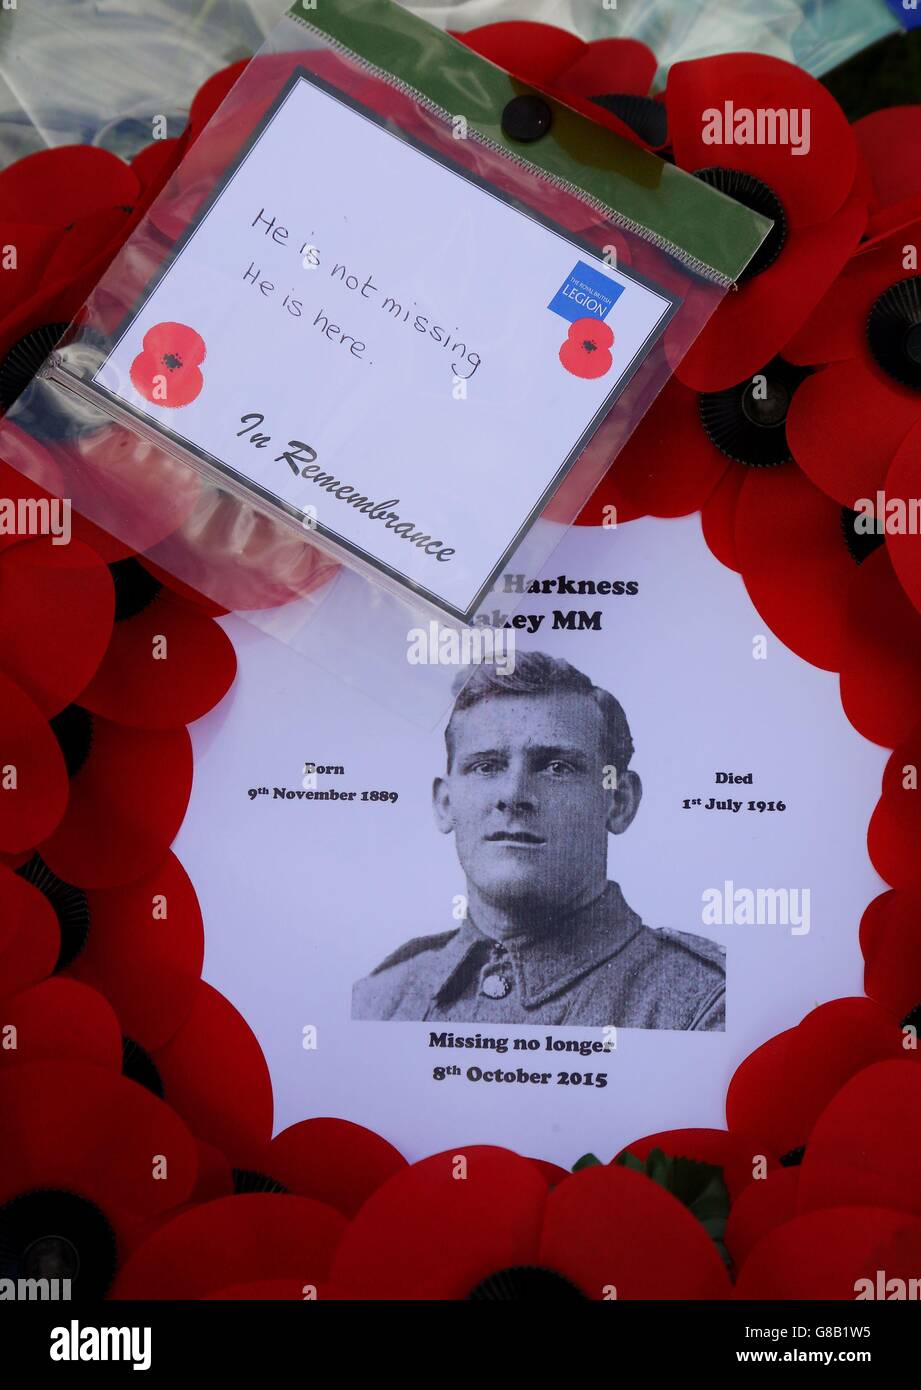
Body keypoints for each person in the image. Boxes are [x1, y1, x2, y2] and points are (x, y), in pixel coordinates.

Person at [352, 651, 725, 1028]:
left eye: (556, 767)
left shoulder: (704, 1002)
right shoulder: (380, 1000)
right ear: (445, 804)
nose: (513, 795)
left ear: (619, 801)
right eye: (486, 766)